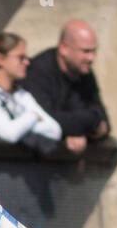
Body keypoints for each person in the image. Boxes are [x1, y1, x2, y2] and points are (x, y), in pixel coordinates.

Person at [0, 31, 62, 186]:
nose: (27, 62)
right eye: (20, 57)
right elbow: (9, 133)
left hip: (12, 182)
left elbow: (54, 130)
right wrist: (33, 116)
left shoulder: (21, 95)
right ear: (0, 59)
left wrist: (25, 122)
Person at [24, 19, 109, 156]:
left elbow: (104, 122)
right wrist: (90, 122)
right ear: (64, 48)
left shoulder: (85, 73)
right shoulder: (39, 71)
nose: (91, 58)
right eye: (86, 51)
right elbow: (47, 120)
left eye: (94, 51)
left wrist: (81, 126)